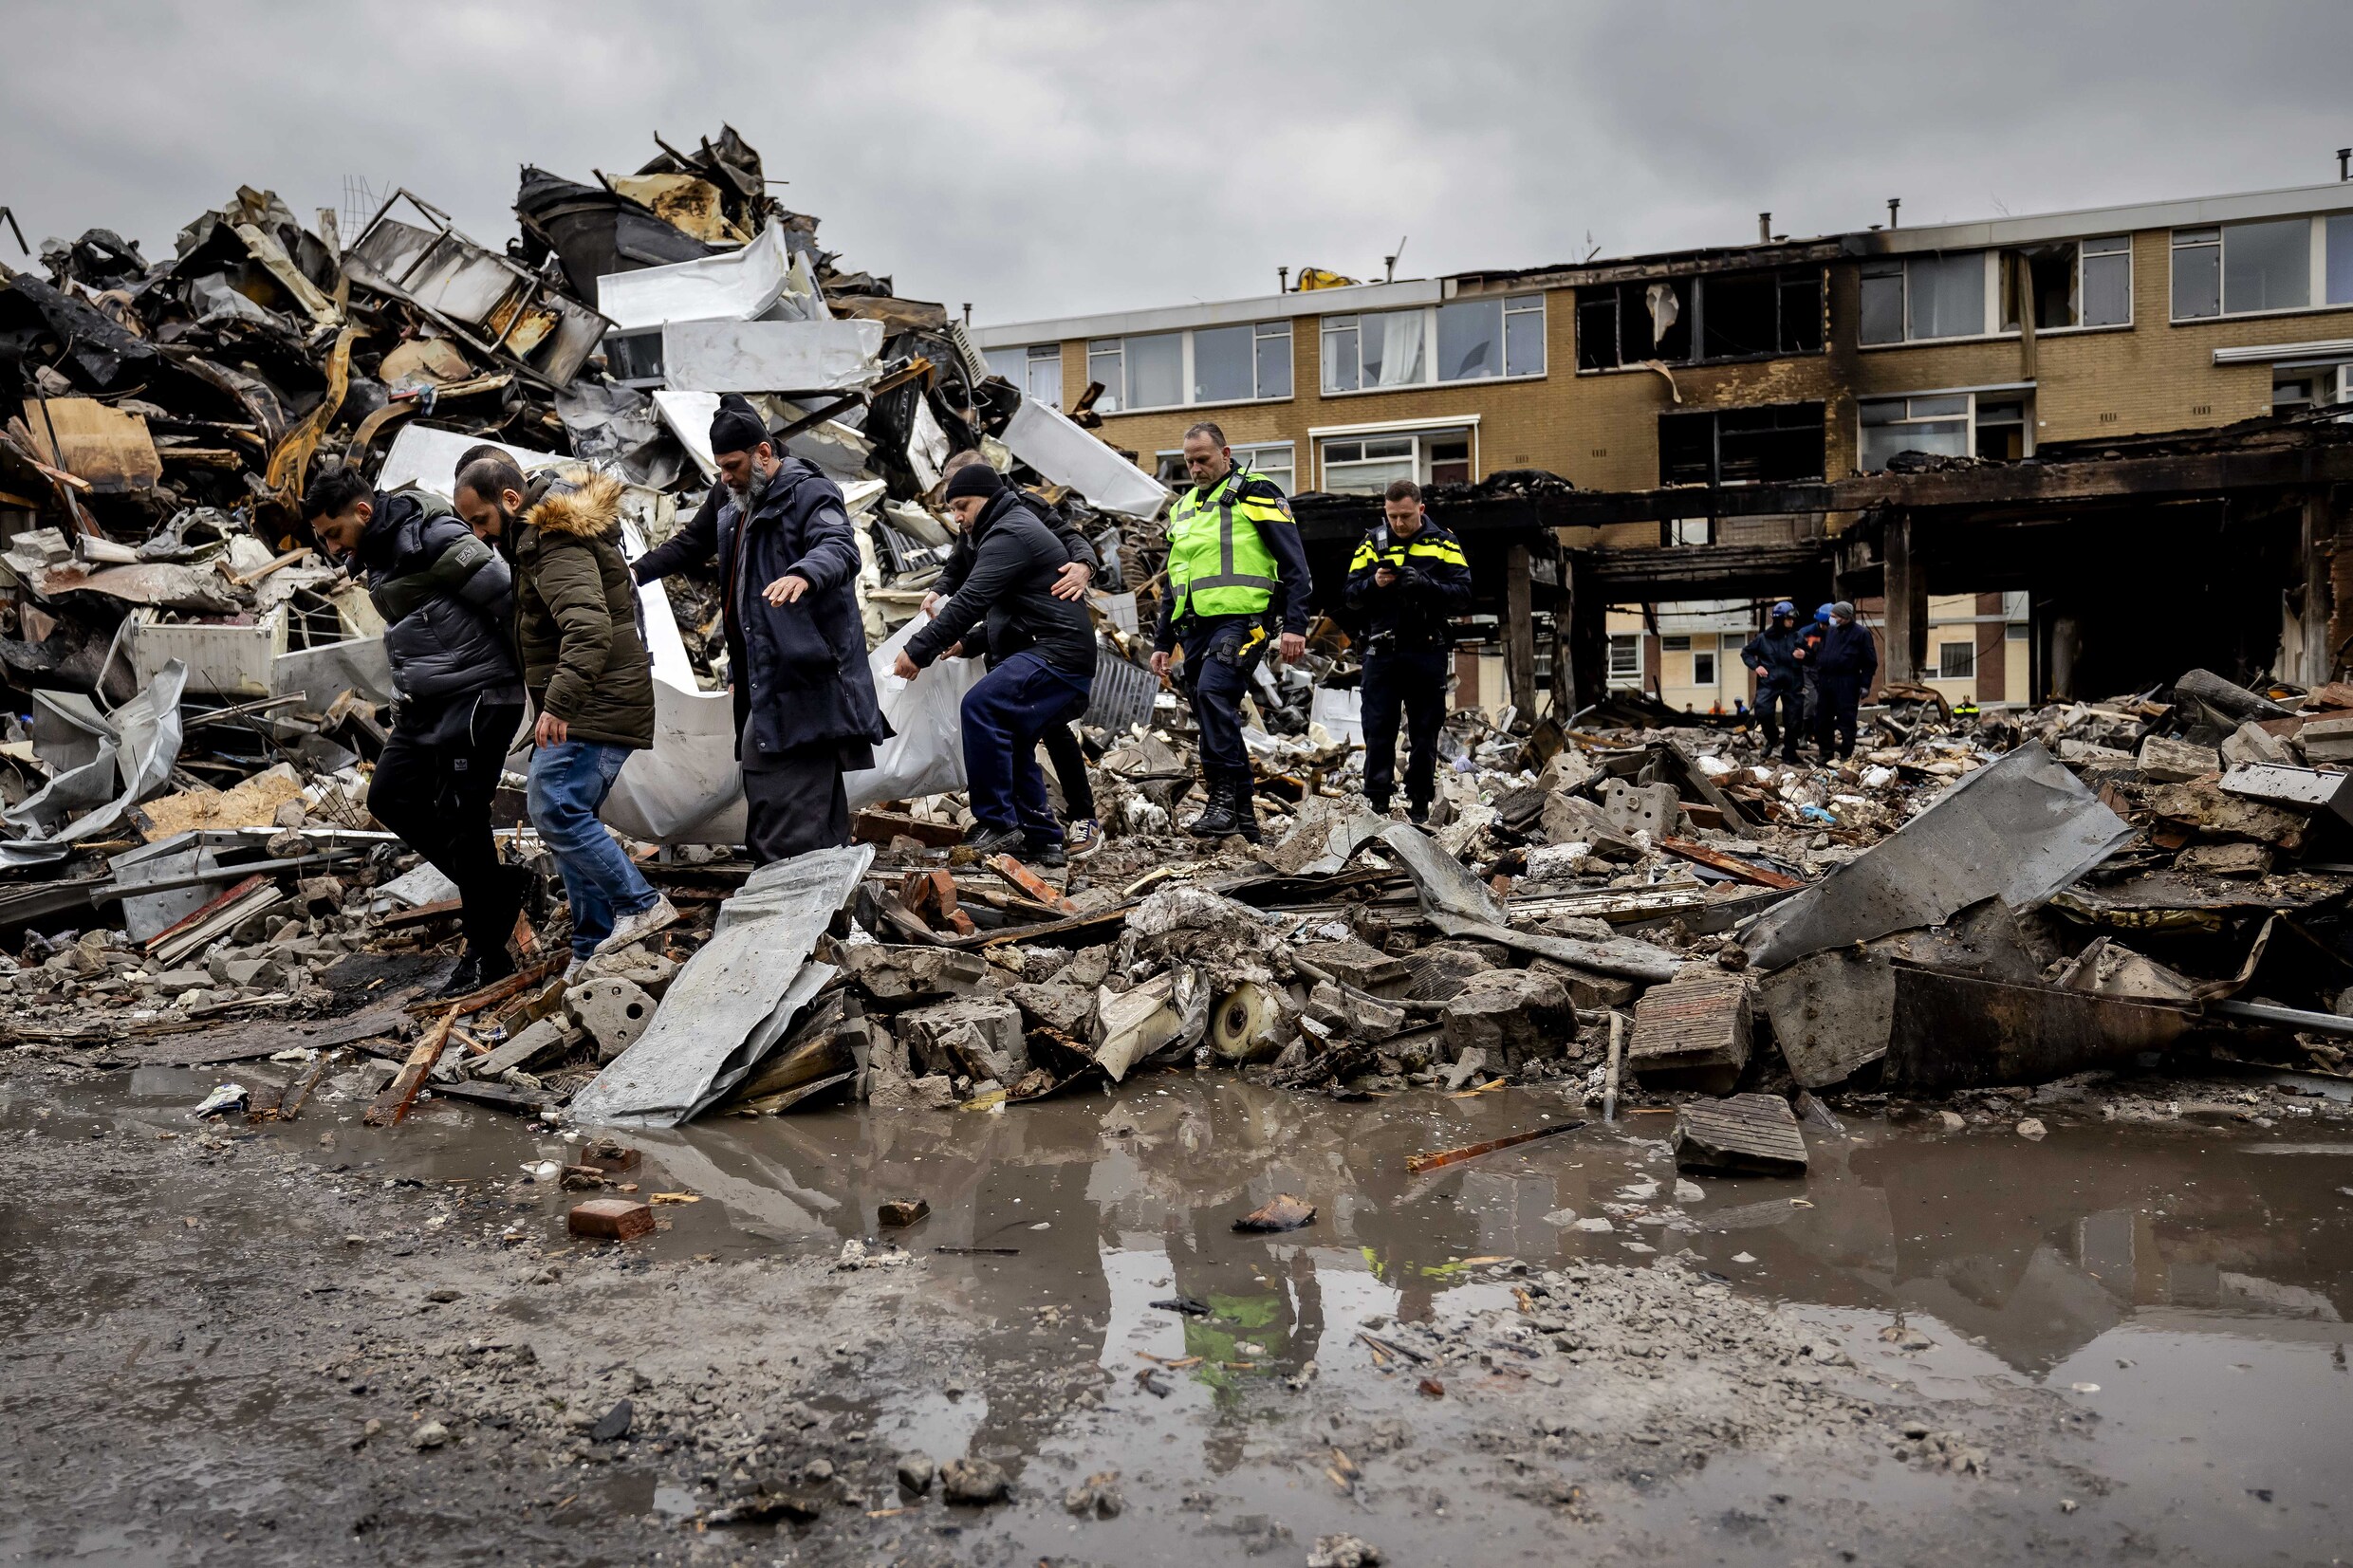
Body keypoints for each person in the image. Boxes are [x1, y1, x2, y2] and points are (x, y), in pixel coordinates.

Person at [630, 397, 890, 862]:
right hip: (765, 673)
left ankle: (787, 901)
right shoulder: (731, 500)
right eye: (720, 468)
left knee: (779, 786)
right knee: (795, 788)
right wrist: (632, 573)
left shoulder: (810, 492)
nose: (725, 476)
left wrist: (804, 573)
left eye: (733, 465)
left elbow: (839, 547)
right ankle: (825, 893)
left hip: (808, 676)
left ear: (765, 454)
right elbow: (691, 543)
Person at [452, 455, 676, 979]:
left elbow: (589, 628)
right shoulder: (539, 540)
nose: (479, 535)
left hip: (594, 702)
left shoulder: (552, 540)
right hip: (595, 697)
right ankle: (593, 943)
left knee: (554, 808)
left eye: (481, 520)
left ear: (510, 500)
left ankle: (640, 906)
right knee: (570, 815)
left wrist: (558, 704)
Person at [306, 468, 525, 997]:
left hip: (478, 693)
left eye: (334, 533)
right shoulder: (376, 552)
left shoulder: (431, 535)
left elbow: (508, 598)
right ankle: (498, 893)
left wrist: (531, 685)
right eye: (323, 539)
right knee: (389, 796)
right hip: (428, 700)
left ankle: (486, 954)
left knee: (462, 814)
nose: (331, 548)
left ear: (362, 512)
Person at [895, 463, 1097, 862]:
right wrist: (953, 621)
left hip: (1056, 654)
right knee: (1011, 730)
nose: (956, 516)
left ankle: (999, 823)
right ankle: (1043, 839)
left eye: (962, 505)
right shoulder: (988, 528)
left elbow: (972, 600)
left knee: (981, 706)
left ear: (987, 495)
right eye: (951, 508)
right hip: (1043, 649)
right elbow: (963, 576)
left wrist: (918, 650)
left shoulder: (1010, 532)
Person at [1148, 422, 1313, 844]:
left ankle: (1220, 800)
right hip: (1198, 626)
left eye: (1203, 459)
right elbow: (1175, 580)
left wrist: (1296, 625)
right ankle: (1244, 820)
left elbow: (1294, 563)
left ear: (1225, 453)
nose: (1196, 469)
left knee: (1213, 693)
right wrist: (1163, 641)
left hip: (1244, 619)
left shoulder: (1256, 491)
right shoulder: (1183, 508)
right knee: (1208, 708)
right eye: (1188, 462)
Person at [1342, 479, 1470, 823]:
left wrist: (1425, 584)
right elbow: (1350, 595)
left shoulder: (1444, 542)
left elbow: (1463, 593)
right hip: (1382, 652)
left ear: (1421, 510)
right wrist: (1375, 583)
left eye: (1406, 517)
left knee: (1425, 733)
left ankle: (1419, 806)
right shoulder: (1372, 542)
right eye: (1392, 516)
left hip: (1426, 652)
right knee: (1378, 730)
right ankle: (1378, 804)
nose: (1398, 524)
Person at [1740, 600, 1808, 765]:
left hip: (1792, 683)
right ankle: (1772, 738)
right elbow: (1746, 653)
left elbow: (1812, 654)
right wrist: (1756, 667)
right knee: (1762, 711)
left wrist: (1804, 655)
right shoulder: (1763, 639)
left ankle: (1789, 753)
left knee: (1793, 720)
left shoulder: (1796, 636)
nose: (1792, 622)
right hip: (1769, 682)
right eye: (1789, 619)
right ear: (1779, 619)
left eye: (1793, 619)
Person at [1811, 600, 1879, 761]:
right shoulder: (1831, 632)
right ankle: (1825, 753)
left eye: (1835, 616)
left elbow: (1870, 662)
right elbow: (1824, 653)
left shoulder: (1861, 634)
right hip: (1827, 681)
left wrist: (1865, 684)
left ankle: (1846, 753)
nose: (1832, 619)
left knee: (1846, 721)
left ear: (1845, 617)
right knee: (1822, 720)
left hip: (1847, 683)